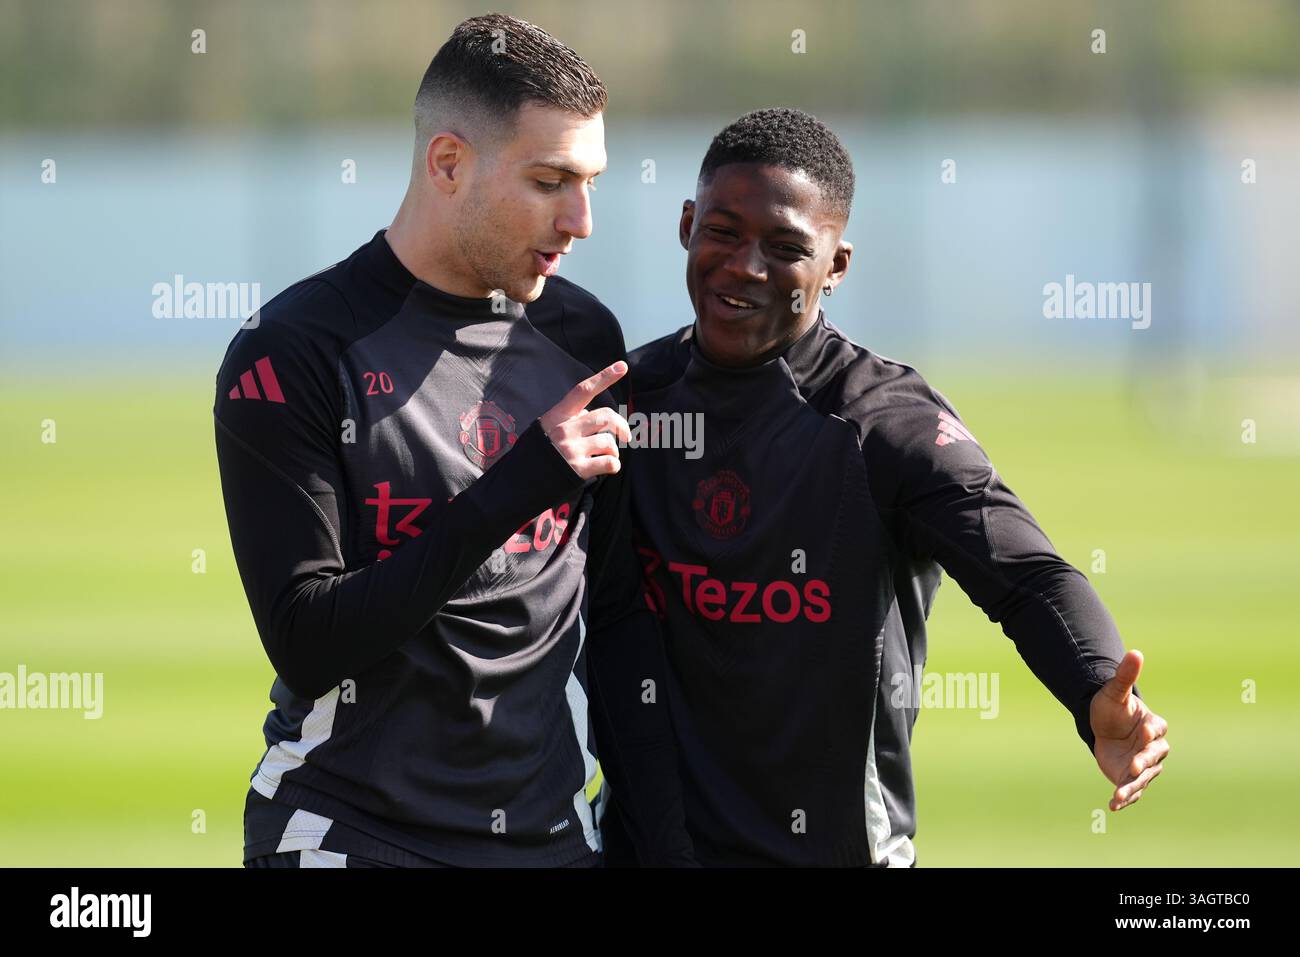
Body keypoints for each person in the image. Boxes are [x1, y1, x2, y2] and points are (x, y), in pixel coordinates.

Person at [600, 107, 1171, 867]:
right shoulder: (622, 404)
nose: (745, 265)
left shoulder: (882, 423)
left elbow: (1028, 577)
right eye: (724, 231)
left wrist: (1095, 686)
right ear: (685, 225)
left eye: (786, 247)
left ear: (836, 265)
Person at [214, 13, 691, 868]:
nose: (581, 220)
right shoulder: (294, 350)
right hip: (351, 831)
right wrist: (521, 483)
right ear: (447, 163)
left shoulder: (585, 337)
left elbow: (617, 612)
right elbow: (307, 638)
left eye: (592, 181)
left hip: (548, 839)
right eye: (551, 181)